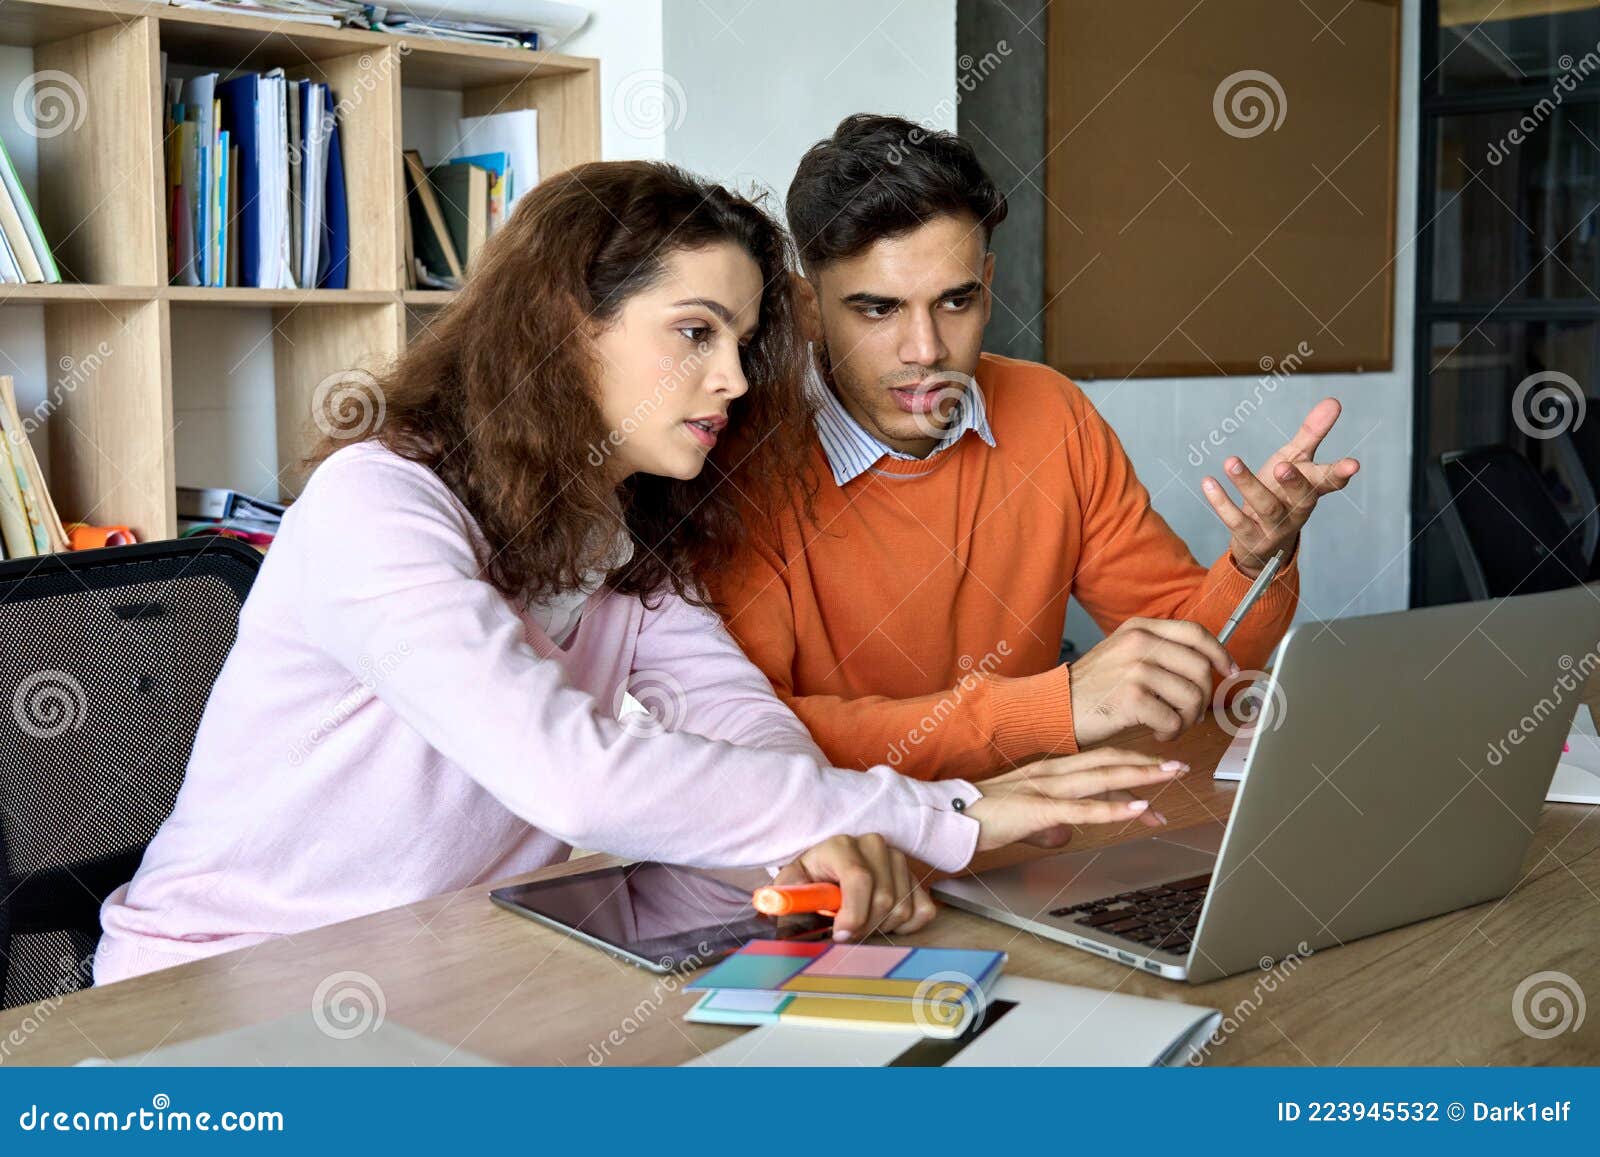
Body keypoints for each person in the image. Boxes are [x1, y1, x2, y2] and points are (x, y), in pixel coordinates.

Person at [94, 160, 1187, 985]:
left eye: (743, 340)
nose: (729, 380)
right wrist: (947, 816)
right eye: (694, 332)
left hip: (446, 962)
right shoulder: (377, 504)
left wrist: (836, 832)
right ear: (565, 328)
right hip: (223, 980)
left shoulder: (621, 534)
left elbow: (742, 726)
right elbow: (570, 771)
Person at [712, 115, 1361, 786]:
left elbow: (1201, 669)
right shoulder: (737, 457)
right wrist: (1052, 706)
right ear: (808, 306)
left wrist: (1257, 561)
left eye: (955, 301)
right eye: (877, 309)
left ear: (988, 285)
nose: (926, 350)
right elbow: (756, 741)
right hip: (847, 858)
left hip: (1033, 844)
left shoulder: (1052, 412)